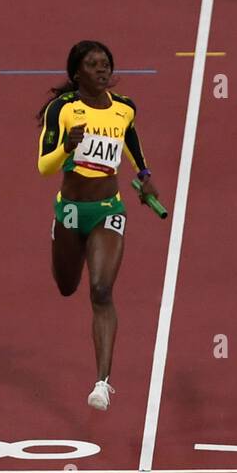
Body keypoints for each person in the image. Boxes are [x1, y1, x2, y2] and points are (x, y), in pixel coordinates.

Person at [37, 41, 161, 411]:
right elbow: (44, 166)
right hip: (71, 211)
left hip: (109, 210)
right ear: (77, 74)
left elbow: (131, 140)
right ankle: (58, 235)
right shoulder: (63, 110)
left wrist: (145, 175)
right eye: (93, 65)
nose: (102, 69)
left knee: (102, 290)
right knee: (66, 286)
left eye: (106, 63)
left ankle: (102, 383)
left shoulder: (124, 108)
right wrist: (66, 150)